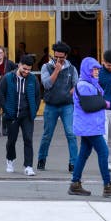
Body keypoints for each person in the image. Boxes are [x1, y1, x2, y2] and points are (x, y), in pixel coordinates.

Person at [67, 57, 111, 197]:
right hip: (89, 126)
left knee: (84, 154)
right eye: (94, 69)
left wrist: (103, 102)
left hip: (90, 125)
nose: (97, 71)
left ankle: (75, 184)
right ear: (87, 70)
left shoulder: (90, 83)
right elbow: (89, 105)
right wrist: (105, 104)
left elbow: (95, 101)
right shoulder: (84, 85)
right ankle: (107, 185)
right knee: (104, 152)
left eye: (98, 69)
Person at [37, 41, 79, 172]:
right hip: (51, 106)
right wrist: (56, 70)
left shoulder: (72, 68)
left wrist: (71, 91)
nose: (58, 59)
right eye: (56, 57)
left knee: (71, 134)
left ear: (66, 56)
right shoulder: (46, 67)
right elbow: (47, 84)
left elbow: (76, 85)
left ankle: (73, 163)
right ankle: (41, 159)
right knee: (47, 134)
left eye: (61, 57)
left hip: (67, 105)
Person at [0, 55, 41, 176]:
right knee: (11, 140)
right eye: (24, 69)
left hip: (27, 115)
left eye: (29, 70)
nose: (26, 72)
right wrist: (7, 110)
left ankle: (28, 166)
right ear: (19, 65)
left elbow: (38, 97)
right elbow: (1, 95)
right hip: (12, 115)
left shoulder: (33, 79)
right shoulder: (8, 78)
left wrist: (34, 110)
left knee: (28, 139)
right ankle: (10, 160)